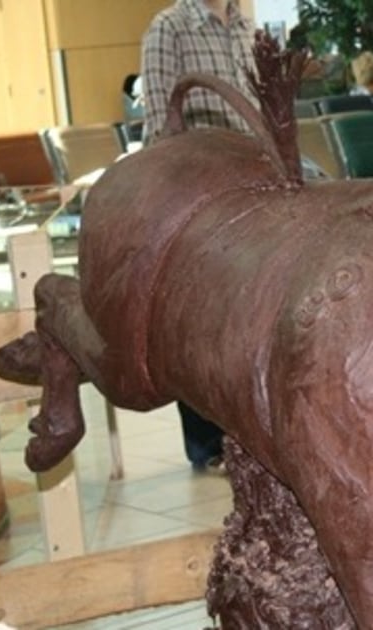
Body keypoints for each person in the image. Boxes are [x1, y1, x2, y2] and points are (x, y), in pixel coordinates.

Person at [141, 0, 256, 472]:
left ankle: (249, 436)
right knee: (199, 323)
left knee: (246, 317)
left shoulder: (244, 27)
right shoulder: (168, 29)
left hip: (252, 185)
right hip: (200, 191)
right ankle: (207, 446)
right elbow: (160, 123)